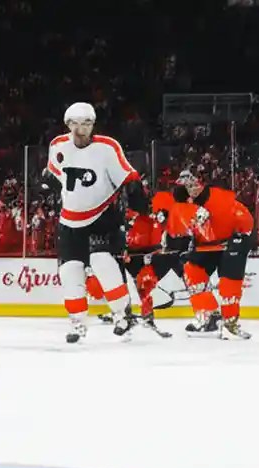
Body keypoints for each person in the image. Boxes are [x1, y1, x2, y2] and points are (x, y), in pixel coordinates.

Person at [42, 102, 149, 343]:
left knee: (103, 263)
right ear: (68, 125)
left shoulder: (107, 147)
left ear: (93, 125)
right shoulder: (58, 145)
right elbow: (55, 174)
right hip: (69, 219)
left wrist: (136, 195)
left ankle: (122, 316)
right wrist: (48, 184)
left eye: (87, 124)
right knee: (70, 270)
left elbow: (128, 176)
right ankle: (77, 322)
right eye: (76, 124)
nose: (81, 129)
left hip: (103, 215)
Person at [169, 169, 255, 340]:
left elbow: (244, 222)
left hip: (233, 239)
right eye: (187, 186)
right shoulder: (184, 204)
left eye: (193, 184)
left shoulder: (220, 198)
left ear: (201, 183)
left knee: (228, 284)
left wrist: (240, 239)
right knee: (192, 272)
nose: (191, 189)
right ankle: (209, 317)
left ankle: (230, 323)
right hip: (207, 245)